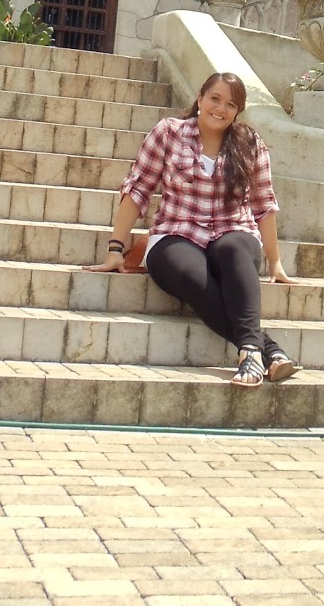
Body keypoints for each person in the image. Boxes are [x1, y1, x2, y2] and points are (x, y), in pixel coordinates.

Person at [86, 71, 299, 387]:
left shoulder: (250, 143)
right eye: (215, 98)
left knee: (234, 249)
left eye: (230, 104)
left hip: (233, 229)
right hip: (177, 232)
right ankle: (262, 349)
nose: (220, 108)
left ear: (237, 111)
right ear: (200, 98)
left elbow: (263, 205)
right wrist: (116, 248)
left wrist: (276, 261)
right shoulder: (169, 133)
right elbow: (138, 188)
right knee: (191, 274)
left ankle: (252, 353)